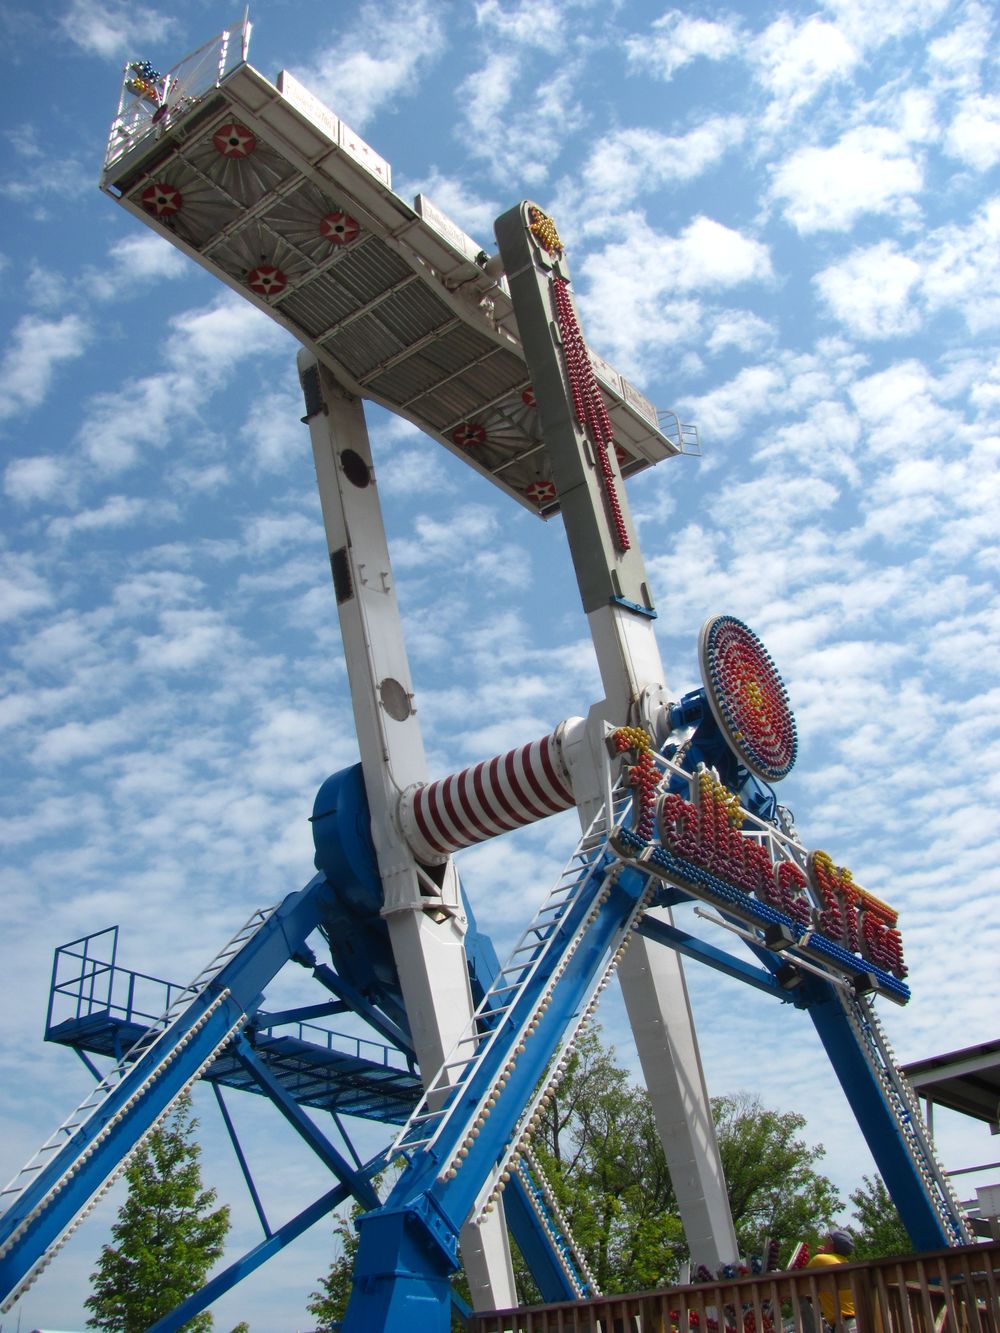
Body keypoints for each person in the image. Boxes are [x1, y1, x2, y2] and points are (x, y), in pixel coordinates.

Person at [806, 1228, 857, 1331]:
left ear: (832, 1244)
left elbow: (801, 1277)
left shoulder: (820, 1259)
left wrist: (823, 1254)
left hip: (843, 1325)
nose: (825, 1241)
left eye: (828, 1239)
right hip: (854, 1322)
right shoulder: (845, 1264)